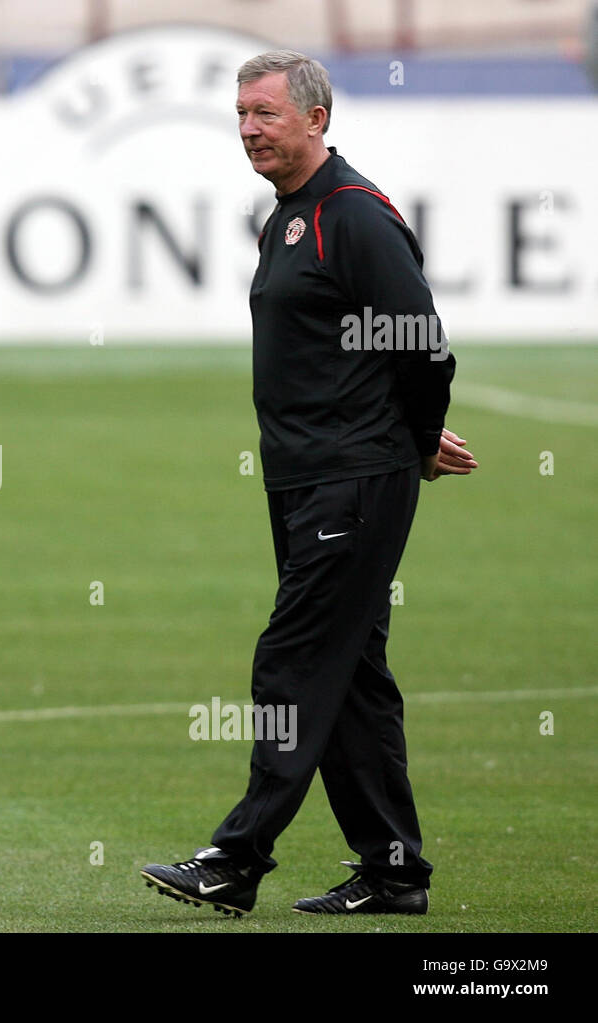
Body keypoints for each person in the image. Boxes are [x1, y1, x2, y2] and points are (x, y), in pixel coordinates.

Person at [140, 50, 477, 917]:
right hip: (306, 481)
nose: (249, 129)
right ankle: (394, 870)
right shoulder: (289, 217)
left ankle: (237, 856)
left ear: (316, 118)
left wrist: (410, 438)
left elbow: (422, 342)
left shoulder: (354, 216)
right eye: (241, 115)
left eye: (266, 114)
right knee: (353, 676)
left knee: (292, 663)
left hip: (351, 480)